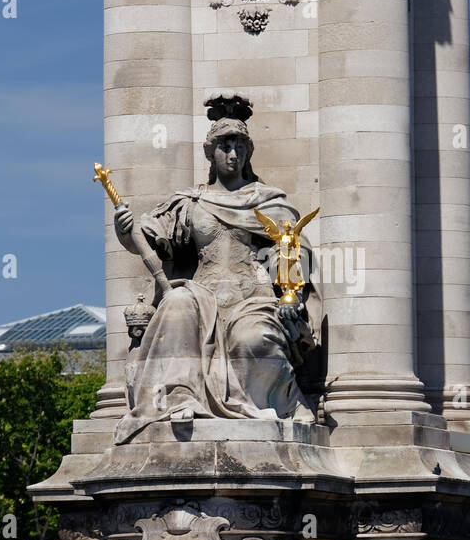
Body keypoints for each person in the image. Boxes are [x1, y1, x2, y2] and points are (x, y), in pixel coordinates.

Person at [113, 95, 319, 440]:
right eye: (224, 146)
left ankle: (275, 404)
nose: (233, 154)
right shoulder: (190, 202)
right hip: (203, 297)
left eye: (239, 146)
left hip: (253, 299)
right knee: (177, 303)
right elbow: (149, 236)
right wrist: (126, 230)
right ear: (211, 152)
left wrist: (291, 298)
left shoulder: (268, 201)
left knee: (251, 338)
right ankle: (181, 398)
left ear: (248, 152)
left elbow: (294, 253)